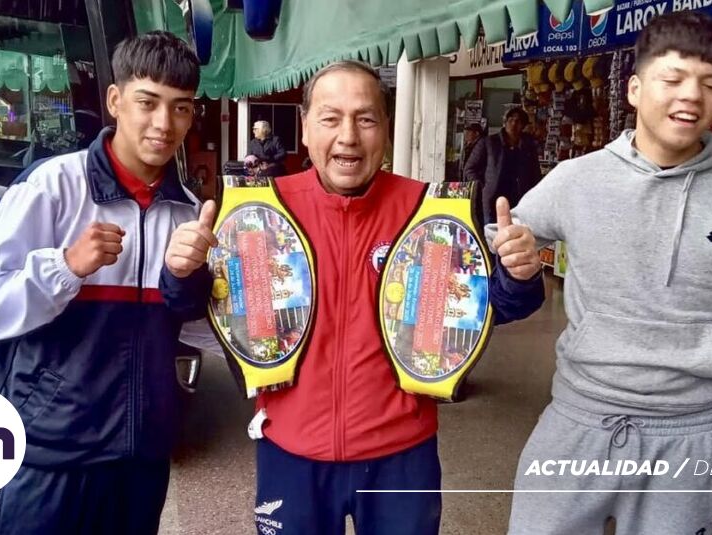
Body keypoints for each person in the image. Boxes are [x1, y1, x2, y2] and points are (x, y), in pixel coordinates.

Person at [163, 59, 545, 535]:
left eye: (365, 118)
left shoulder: (429, 212)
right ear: (304, 129)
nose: (348, 136)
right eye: (331, 118)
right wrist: (181, 271)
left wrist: (519, 273)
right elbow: (194, 305)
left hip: (402, 459)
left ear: (385, 129)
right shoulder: (261, 212)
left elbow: (500, 306)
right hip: (292, 455)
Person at [490, 12, 712, 535]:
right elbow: (510, 235)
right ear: (633, 89)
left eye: (709, 84)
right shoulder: (577, 179)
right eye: (672, 80)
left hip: (687, 436)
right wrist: (512, 252)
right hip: (576, 421)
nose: (691, 97)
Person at [0, 31, 214, 535]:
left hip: (140, 458)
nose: (165, 124)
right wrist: (65, 267)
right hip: (52, 452)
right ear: (116, 101)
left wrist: (185, 278)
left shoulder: (186, 208)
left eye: (181, 108)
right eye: (148, 102)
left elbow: (185, 322)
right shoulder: (52, 186)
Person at [465, 106, 541, 225]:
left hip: (519, 200)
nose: (514, 124)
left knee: (515, 233)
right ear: (505, 122)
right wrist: (483, 186)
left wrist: (533, 194)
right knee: (492, 234)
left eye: (518, 121)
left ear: (524, 126)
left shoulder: (528, 147)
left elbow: (535, 174)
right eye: (511, 120)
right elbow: (470, 169)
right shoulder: (489, 143)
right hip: (493, 199)